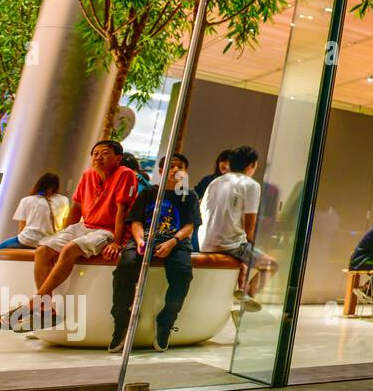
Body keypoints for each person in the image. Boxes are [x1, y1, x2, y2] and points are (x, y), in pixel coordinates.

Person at [2, 140, 137, 331]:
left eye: (105, 153)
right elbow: (77, 207)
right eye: (95, 153)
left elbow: (122, 210)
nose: (98, 157)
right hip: (84, 226)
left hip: (106, 230)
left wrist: (116, 242)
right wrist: (62, 233)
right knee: (42, 250)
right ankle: (47, 309)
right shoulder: (88, 175)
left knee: (71, 249)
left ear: (118, 158)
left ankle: (32, 303)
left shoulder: (126, 174)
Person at [109, 154, 200, 352]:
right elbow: (136, 221)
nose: (175, 170)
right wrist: (141, 240)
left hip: (175, 242)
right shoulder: (148, 193)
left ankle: (166, 321)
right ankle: (122, 320)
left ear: (186, 171)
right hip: (145, 238)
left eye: (179, 167)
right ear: (161, 170)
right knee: (125, 267)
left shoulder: (188, 195)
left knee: (183, 274)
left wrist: (172, 242)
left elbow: (189, 226)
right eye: (171, 166)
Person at [199, 145, 266, 311]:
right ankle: (247, 304)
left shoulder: (215, 181)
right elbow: (249, 221)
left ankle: (243, 293)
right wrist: (251, 241)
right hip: (230, 244)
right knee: (269, 265)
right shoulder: (251, 185)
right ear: (251, 165)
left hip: (205, 242)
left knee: (246, 261)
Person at [0, 172, 68, 283]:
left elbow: (21, 229)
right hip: (48, 244)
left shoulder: (27, 200)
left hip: (27, 241)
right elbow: (64, 225)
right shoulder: (64, 201)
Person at [192, 150, 231, 249]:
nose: (225, 165)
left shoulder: (236, 184)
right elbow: (195, 197)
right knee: (197, 247)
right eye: (223, 161)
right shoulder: (209, 180)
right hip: (204, 220)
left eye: (229, 162)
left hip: (224, 224)